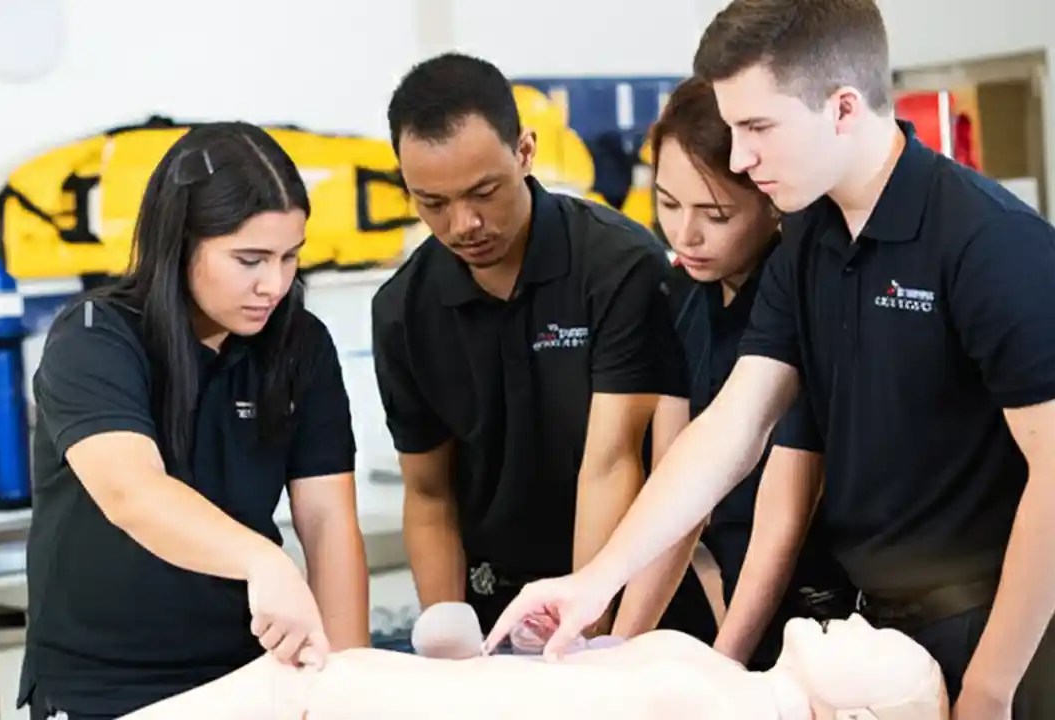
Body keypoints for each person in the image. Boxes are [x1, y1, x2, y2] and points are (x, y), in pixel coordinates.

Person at [485, 1, 1055, 717]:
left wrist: (992, 686)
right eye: (734, 129)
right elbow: (734, 425)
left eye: (758, 128)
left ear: (843, 107)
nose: (742, 157)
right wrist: (597, 580)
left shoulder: (986, 241)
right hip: (875, 632)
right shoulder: (809, 242)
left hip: (1009, 629)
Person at [16, 122, 371, 719]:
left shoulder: (299, 343)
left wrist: (345, 685)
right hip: (104, 690)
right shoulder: (95, 338)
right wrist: (262, 561)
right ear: (181, 242)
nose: (274, 284)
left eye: (289, 258)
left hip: (247, 675)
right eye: (249, 259)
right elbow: (134, 492)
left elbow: (328, 518)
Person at [371, 52, 713, 639]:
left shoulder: (618, 265)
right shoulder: (402, 310)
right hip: (494, 604)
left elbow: (612, 461)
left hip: (623, 593)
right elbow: (429, 495)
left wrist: (583, 631)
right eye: (433, 203)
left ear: (525, 152)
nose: (463, 224)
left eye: (483, 192)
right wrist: (450, 639)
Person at [609, 77, 855, 669]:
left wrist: (727, 661)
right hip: (741, 590)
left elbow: (785, 509)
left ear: (771, 199)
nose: (684, 235)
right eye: (667, 204)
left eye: (714, 214)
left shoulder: (803, 290)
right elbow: (679, 496)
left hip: (835, 610)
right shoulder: (679, 295)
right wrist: (614, 650)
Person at [121, 608, 949, 720]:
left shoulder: (737, 710)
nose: (860, 621)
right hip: (386, 688)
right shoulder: (726, 679)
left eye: (879, 651)